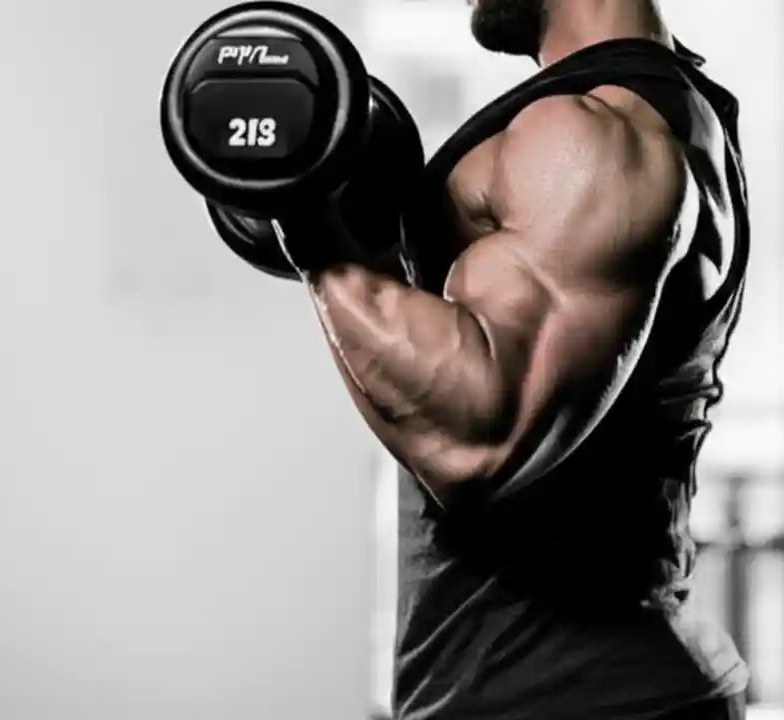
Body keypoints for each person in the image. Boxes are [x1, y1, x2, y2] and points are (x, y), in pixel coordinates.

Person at [278, 1, 751, 717]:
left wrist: (310, 231)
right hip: (591, 688)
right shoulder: (667, 112)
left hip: (559, 694)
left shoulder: (592, 138)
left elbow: (481, 437)